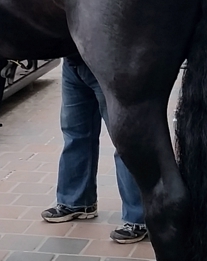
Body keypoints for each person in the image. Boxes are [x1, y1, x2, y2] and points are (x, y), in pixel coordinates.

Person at [41, 55, 148, 244]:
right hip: (73, 61)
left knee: (124, 139)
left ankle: (140, 217)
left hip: (107, 60)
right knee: (75, 133)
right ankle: (76, 202)